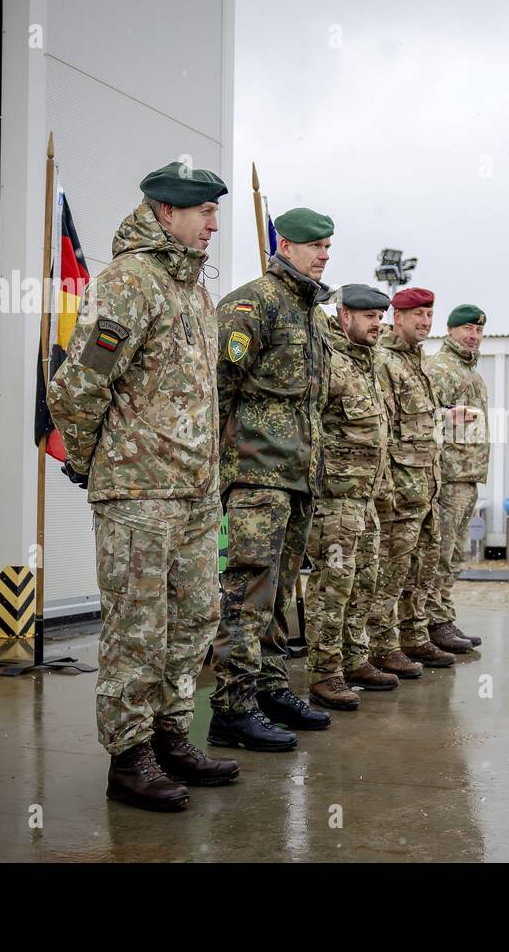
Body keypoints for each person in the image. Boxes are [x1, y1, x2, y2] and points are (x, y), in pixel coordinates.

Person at [47, 161, 240, 812]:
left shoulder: (192, 287)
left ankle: (169, 735)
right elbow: (79, 385)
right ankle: (129, 759)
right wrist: (89, 459)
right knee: (138, 627)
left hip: (191, 490)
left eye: (216, 211)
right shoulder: (129, 282)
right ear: (164, 212)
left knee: (193, 619)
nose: (214, 223)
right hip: (137, 491)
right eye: (202, 211)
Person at [206, 207, 336, 751]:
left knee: (281, 590)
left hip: (297, 476)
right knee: (248, 589)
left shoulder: (311, 313)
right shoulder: (251, 303)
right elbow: (216, 385)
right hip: (257, 474)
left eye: (328, 247)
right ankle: (232, 709)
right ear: (284, 244)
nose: (324, 255)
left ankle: (269, 686)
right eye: (314, 246)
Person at [302, 284, 401, 710]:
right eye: (368, 317)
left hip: (365, 496)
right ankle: (325, 672)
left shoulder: (369, 364)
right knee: (333, 584)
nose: (377, 324)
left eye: (380, 317)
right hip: (334, 498)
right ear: (344, 316)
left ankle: (355, 658)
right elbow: (309, 422)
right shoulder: (328, 359)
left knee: (364, 579)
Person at [368, 287, 465, 674]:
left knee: (421, 569)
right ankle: (382, 644)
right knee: (391, 571)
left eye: (429, 315)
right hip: (399, 490)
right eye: (418, 315)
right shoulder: (385, 362)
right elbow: (383, 429)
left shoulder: (418, 362)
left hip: (426, 487)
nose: (425, 322)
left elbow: (418, 424)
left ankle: (414, 636)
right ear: (399, 317)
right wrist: (387, 488)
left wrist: (445, 418)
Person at [425, 304, 491, 649]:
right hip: (447, 477)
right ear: (450, 330)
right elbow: (420, 416)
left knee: (454, 556)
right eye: (467, 329)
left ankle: (444, 617)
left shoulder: (472, 374)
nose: (474, 336)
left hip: (467, 477)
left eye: (479, 331)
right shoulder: (440, 369)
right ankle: (433, 623)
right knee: (440, 553)